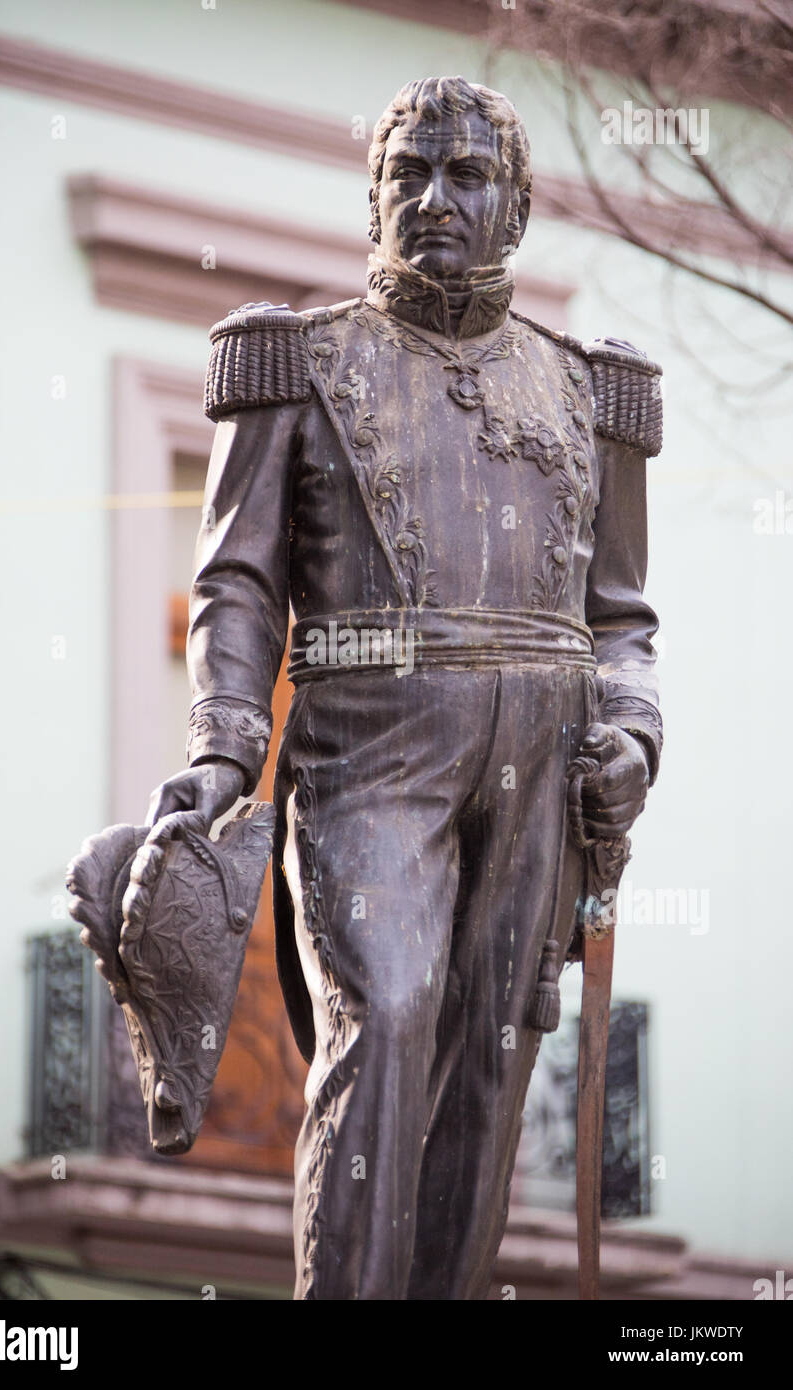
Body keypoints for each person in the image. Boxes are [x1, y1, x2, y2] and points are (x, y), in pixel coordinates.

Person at [148, 75, 663, 1300]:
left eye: (465, 175)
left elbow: (622, 621)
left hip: (538, 782)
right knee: (385, 1013)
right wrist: (224, 748)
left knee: (487, 1081)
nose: (432, 197)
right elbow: (234, 584)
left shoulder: (594, 398)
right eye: (406, 174)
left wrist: (632, 734)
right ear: (369, 198)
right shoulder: (295, 361)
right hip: (365, 760)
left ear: (517, 208)